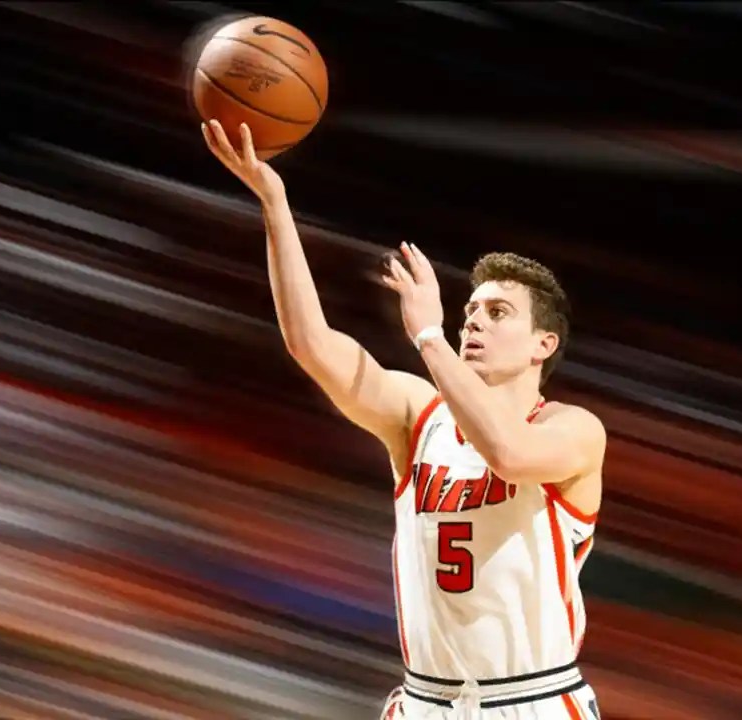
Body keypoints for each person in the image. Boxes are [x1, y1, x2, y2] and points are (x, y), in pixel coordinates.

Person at [202, 119, 606, 720]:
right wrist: (275, 204)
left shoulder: (573, 429)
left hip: (533, 702)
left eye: (497, 312)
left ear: (542, 345)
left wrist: (427, 335)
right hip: (426, 702)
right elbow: (311, 344)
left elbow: (509, 455)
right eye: (470, 309)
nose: (473, 321)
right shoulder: (421, 416)